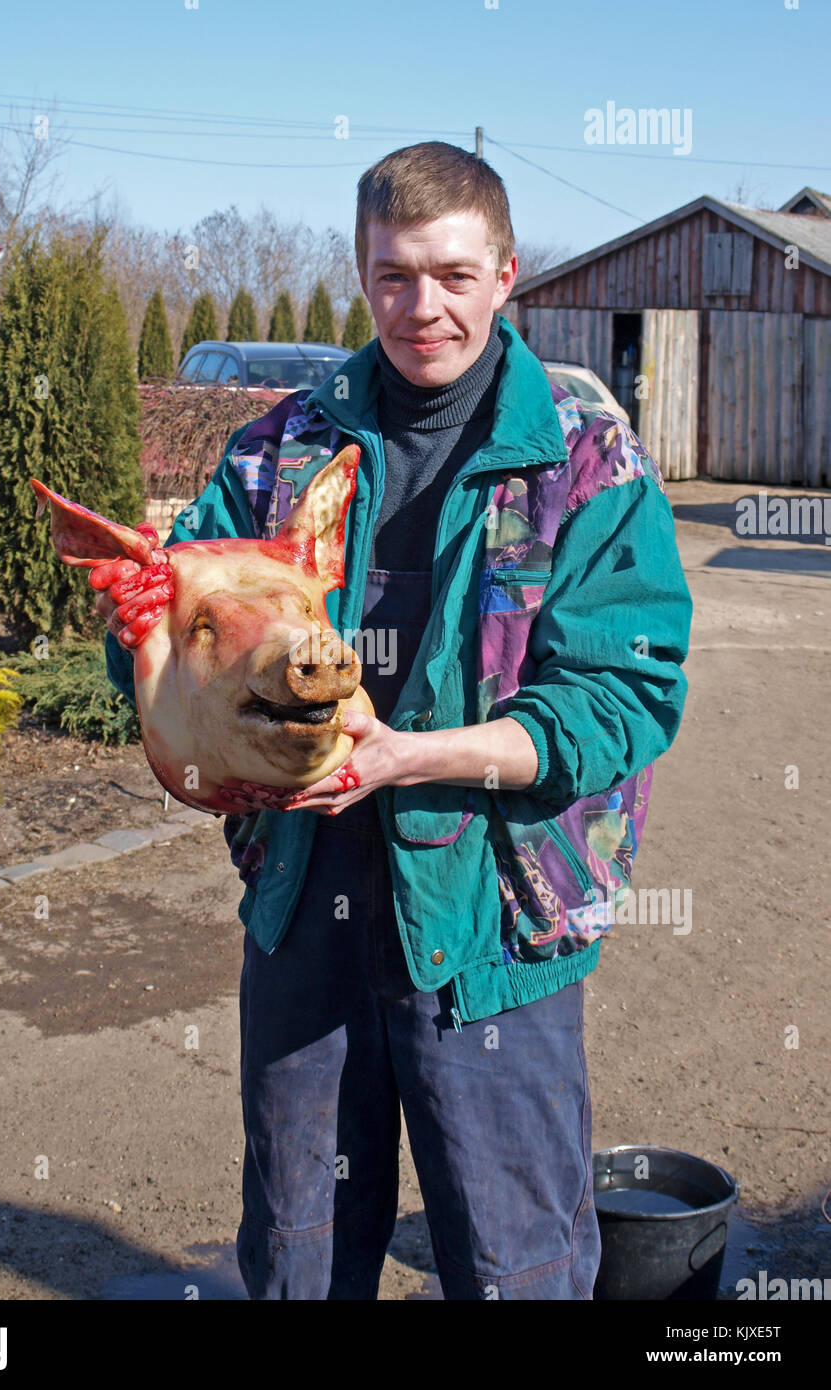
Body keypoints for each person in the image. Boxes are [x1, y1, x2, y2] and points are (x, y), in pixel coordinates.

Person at [94, 142, 693, 1300]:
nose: (424, 309)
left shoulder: (581, 456)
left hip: (494, 919)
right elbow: (179, 637)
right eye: (394, 278)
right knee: (298, 1246)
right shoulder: (279, 451)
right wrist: (145, 635)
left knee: (512, 1254)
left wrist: (410, 756)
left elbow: (623, 697)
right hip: (306, 894)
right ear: (363, 277)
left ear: (507, 272)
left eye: (454, 276)